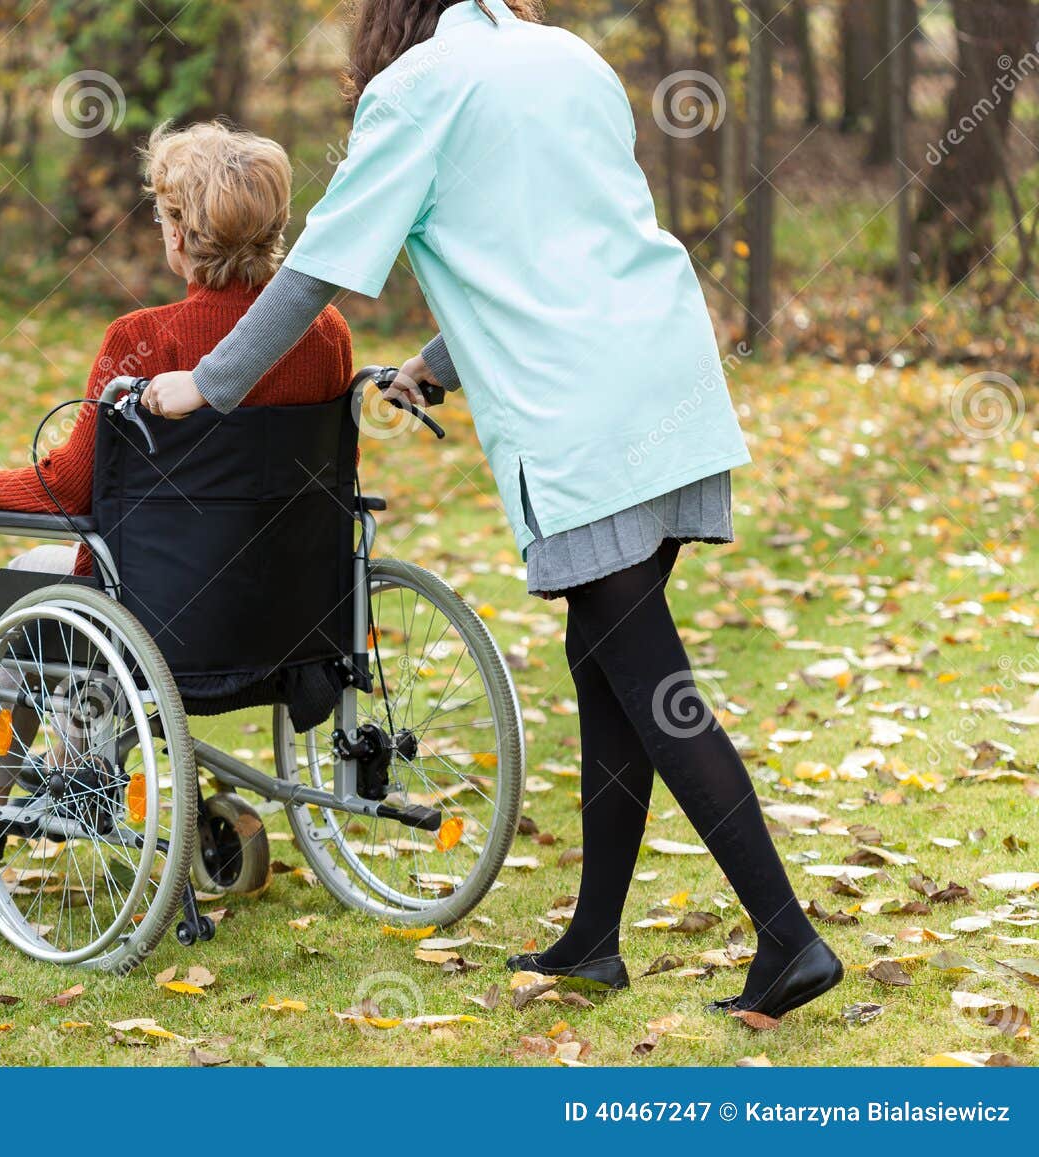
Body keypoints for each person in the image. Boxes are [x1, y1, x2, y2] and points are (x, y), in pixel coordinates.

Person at [142, 0, 842, 1020]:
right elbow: (550, 258)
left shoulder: (414, 92)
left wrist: (207, 383)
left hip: (583, 419)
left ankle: (786, 933)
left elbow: (316, 268)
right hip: (666, 377)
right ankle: (594, 938)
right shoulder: (569, 59)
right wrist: (432, 367)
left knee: (652, 679)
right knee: (603, 660)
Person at [0, 119, 354, 801]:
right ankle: (82, 768)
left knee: (12, 605)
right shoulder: (325, 335)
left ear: (179, 234)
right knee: (88, 584)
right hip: (292, 620)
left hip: (161, 623)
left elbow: (70, 490)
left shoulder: (142, 339)